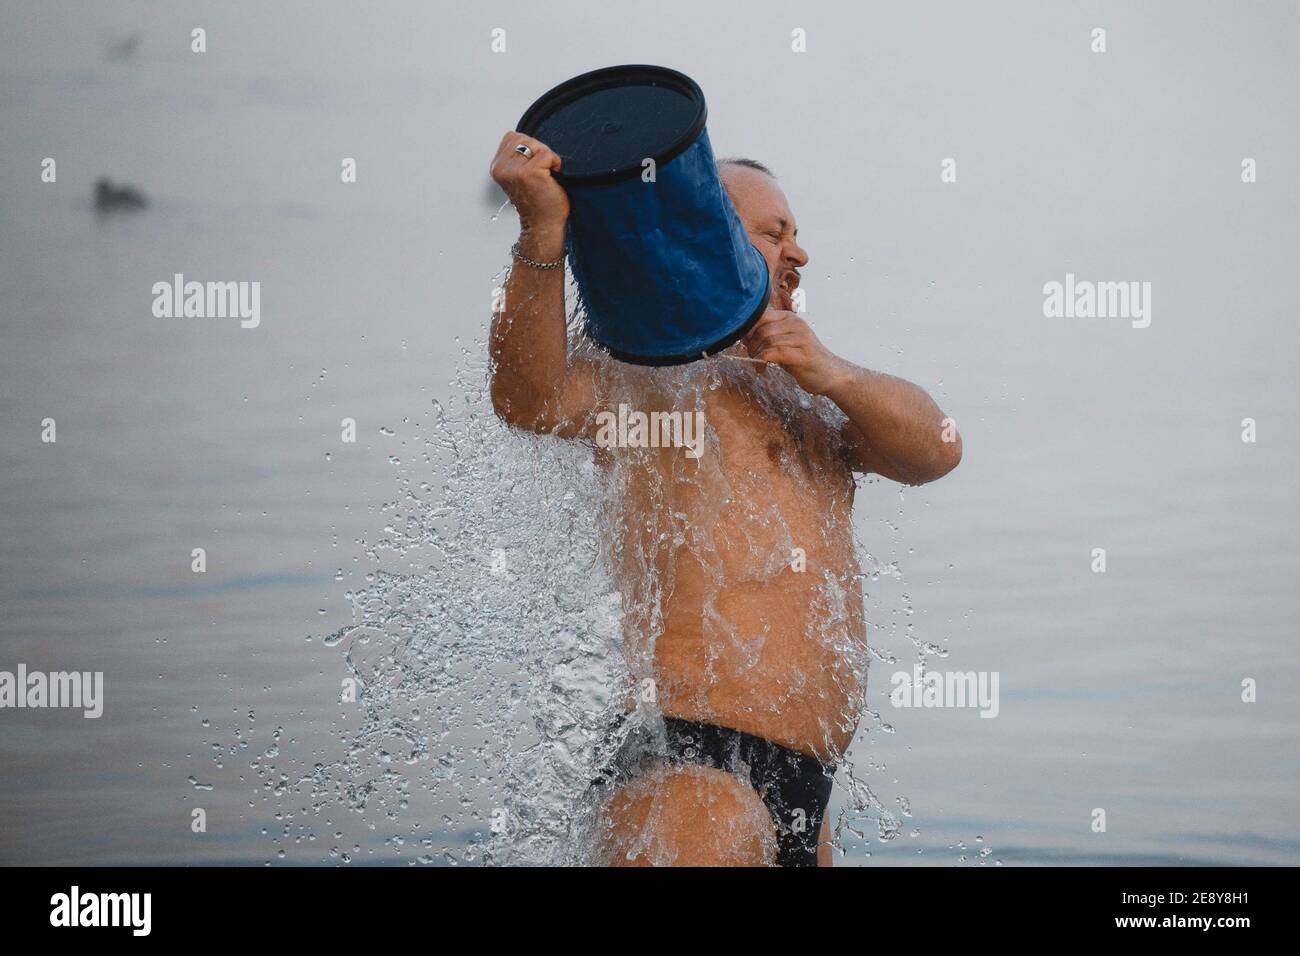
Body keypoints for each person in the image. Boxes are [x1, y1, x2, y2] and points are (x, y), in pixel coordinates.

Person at [488, 132, 961, 866]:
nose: (799, 255)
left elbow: (938, 448)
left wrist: (830, 371)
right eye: (775, 234)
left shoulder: (810, 400)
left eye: (799, 237)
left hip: (808, 792)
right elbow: (531, 397)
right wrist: (542, 231)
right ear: (705, 236)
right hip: (689, 768)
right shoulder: (649, 378)